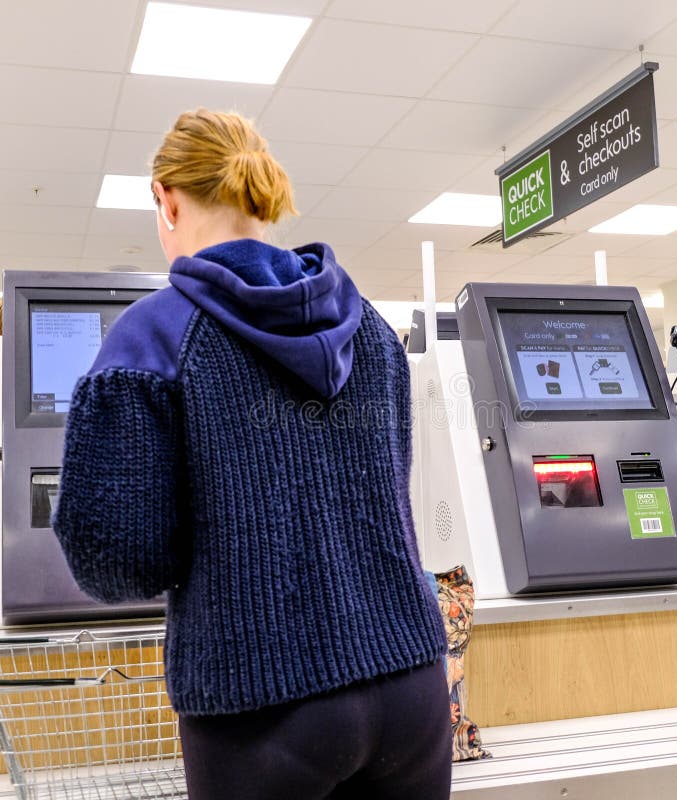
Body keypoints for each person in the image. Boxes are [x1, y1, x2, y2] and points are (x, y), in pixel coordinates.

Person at [52, 108, 451, 799]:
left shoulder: (151, 338)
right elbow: (387, 489)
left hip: (262, 703)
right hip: (410, 686)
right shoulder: (372, 329)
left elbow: (115, 559)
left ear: (166, 199)